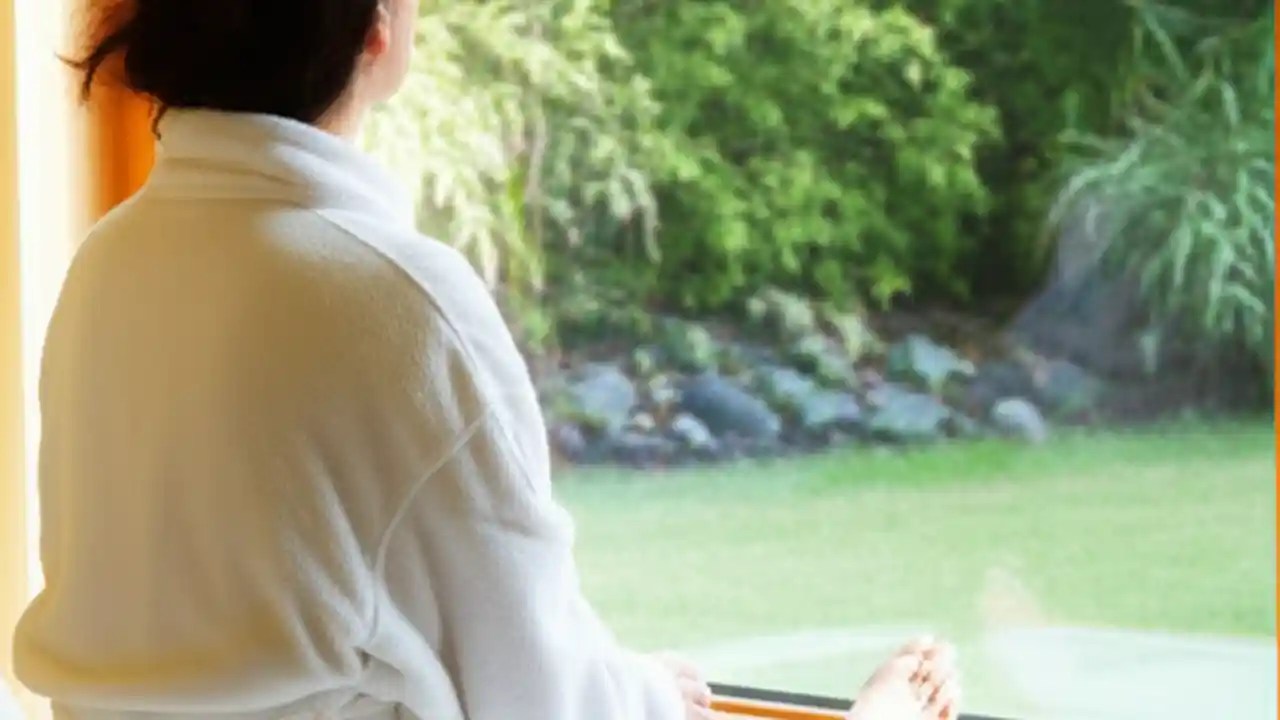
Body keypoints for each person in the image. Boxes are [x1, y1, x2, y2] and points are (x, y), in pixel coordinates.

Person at [12, 2, 962, 719]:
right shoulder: (392, 302)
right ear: (376, 27)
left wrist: (635, 687)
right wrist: (651, 699)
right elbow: (535, 692)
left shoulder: (112, 259)